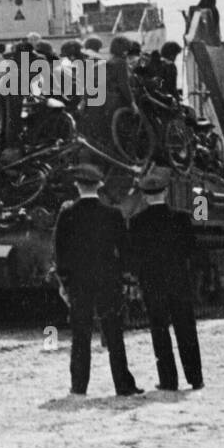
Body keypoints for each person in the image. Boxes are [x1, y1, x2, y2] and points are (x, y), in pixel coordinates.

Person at [54, 163, 144, 397]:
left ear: (77, 185)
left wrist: (64, 282)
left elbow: (60, 252)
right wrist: (127, 278)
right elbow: (124, 250)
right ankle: (123, 385)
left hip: (78, 283)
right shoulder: (113, 214)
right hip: (108, 281)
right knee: (114, 335)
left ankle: (79, 386)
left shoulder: (67, 214)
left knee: (80, 336)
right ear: (100, 185)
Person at [126, 169, 203, 391]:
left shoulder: (137, 221)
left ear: (144, 195)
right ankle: (195, 378)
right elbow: (191, 250)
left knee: (160, 331)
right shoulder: (181, 217)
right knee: (186, 329)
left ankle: (169, 381)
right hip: (179, 281)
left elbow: (134, 256)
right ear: (166, 192)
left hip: (153, 284)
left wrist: (139, 277)